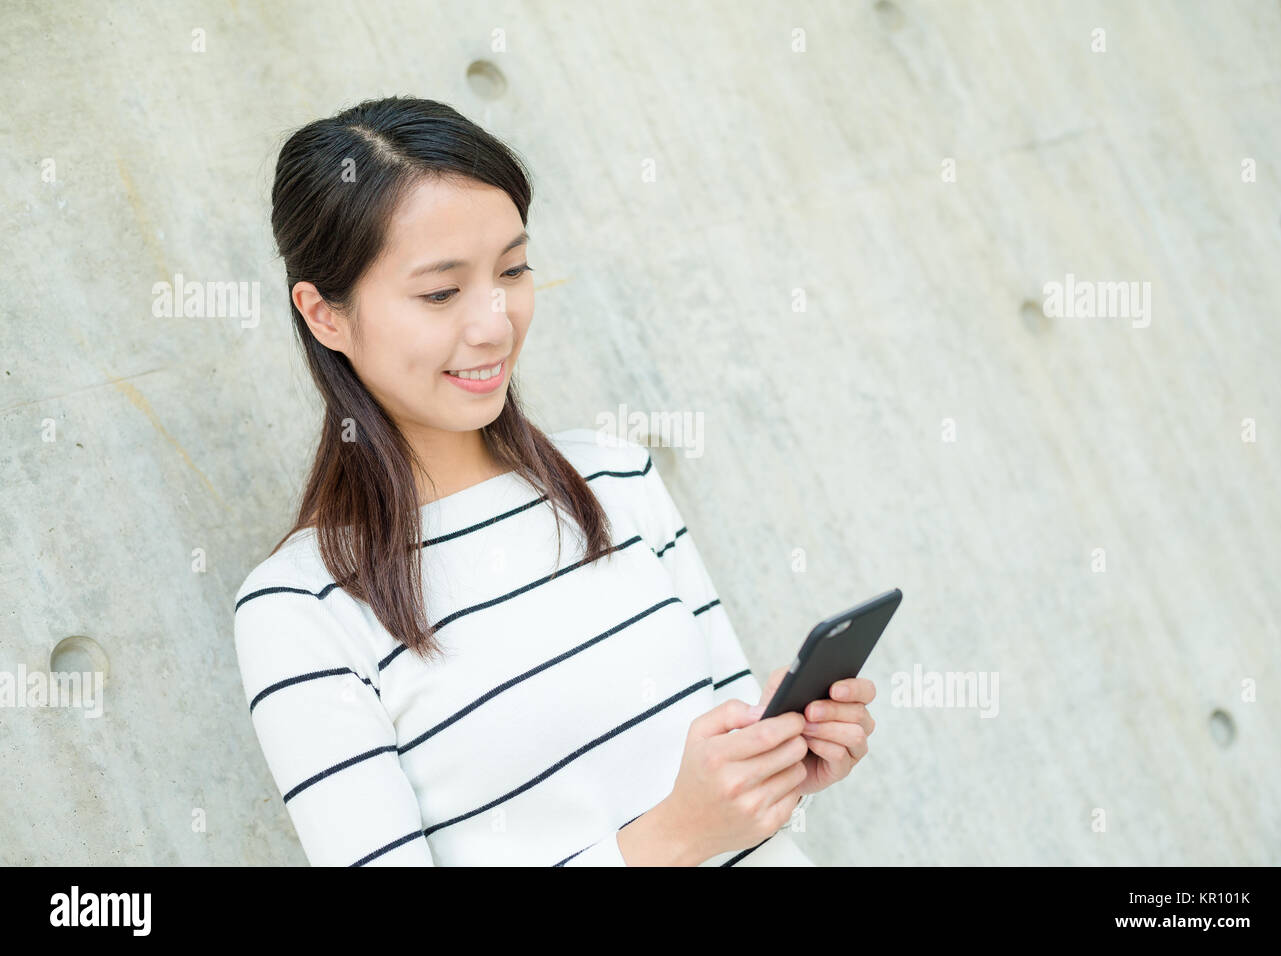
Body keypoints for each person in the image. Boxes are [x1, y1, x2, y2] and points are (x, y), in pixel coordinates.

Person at [233, 96, 877, 866]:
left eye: (512, 270)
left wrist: (780, 766)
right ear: (325, 315)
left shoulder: (615, 477)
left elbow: (722, 779)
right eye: (441, 292)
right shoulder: (300, 608)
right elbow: (681, 830)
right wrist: (666, 841)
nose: (494, 322)